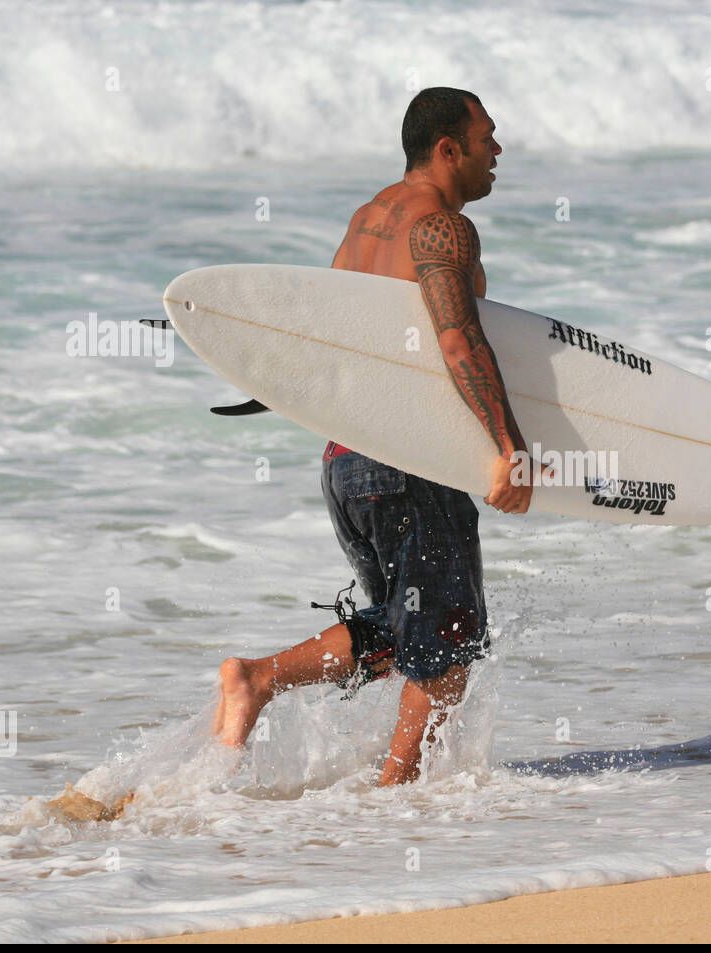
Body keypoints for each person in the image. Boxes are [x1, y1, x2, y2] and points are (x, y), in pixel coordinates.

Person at [211, 88, 531, 785]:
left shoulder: (365, 222)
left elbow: (324, 338)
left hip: (346, 462)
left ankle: (256, 680)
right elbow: (459, 340)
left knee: (398, 625)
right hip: (406, 459)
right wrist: (509, 445)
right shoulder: (440, 226)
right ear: (448, 149)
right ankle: (396, 791)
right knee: (447, 639)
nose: (497, 151)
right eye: (487, 138)